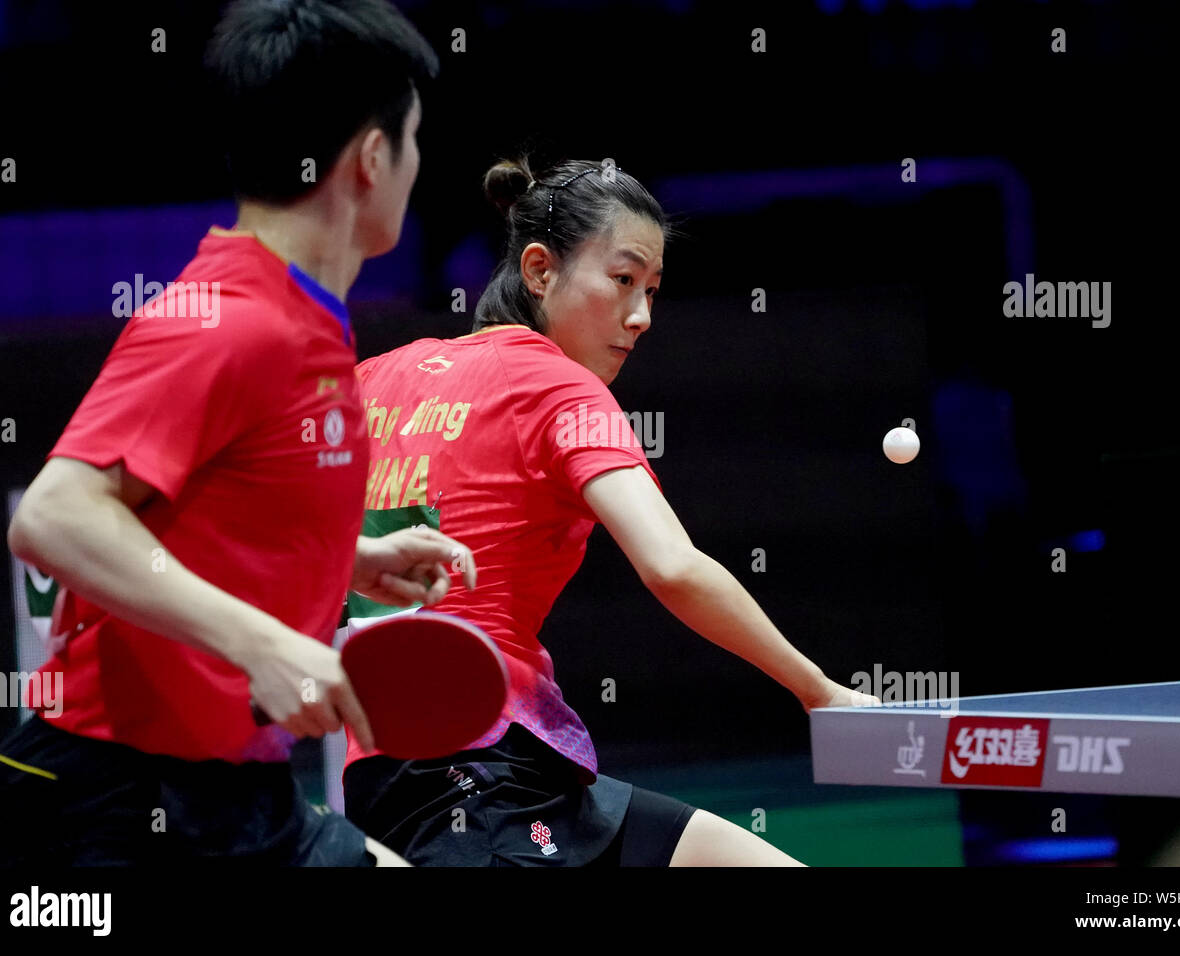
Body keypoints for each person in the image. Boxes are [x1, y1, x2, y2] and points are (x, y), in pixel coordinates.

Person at [0, 0, 470, 867]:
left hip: (236, 790)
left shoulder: (303, 316)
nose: (418, 165)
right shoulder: (230, 322)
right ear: (371, 157)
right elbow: (54, 515)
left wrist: (342, 559)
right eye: (415, 140)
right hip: (109, 805)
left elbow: (212, 498)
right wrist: (267, 642)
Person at [341, 158, 877, 867]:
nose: (641, 315)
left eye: (652, 290)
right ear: (539, 270)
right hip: (480, 777)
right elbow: (672, 566)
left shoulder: (373, 378)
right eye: (623, 280)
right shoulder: (560, 387)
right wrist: (821, 693)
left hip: (398, 771)